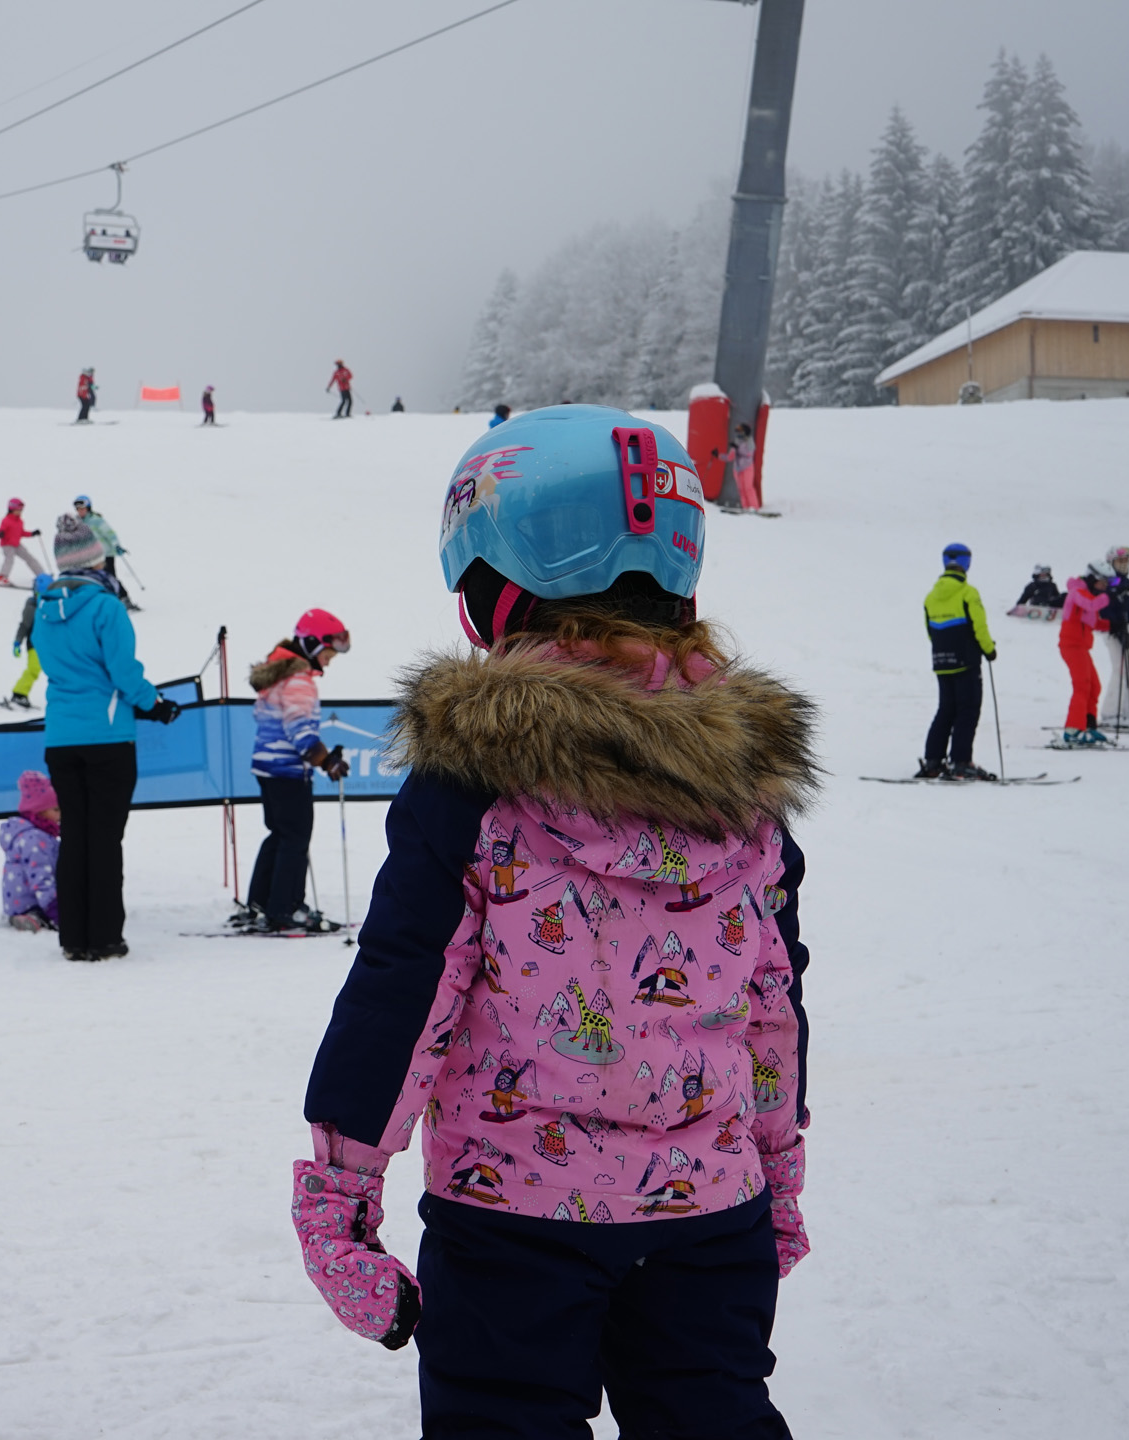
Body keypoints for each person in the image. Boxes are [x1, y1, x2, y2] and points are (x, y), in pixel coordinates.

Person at [291, 403, 816, 1439]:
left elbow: (404, 993)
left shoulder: (472, 786)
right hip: (709, 1214)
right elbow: (774, 1003)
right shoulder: (747, 790)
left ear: (496, 591)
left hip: (512, 1221)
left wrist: (340, 1193)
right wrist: (777, 1171)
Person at [33, 513, 180, 961]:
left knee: (75, 835)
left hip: (61, 738)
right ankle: (105, 936)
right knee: (104, 838)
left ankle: (74, 937)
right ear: (95, 559)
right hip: (108, 739)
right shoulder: (106, 606)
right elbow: (123, 673)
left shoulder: (42, 610)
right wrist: (155, 705)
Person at [240, 610, 352, 934]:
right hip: (286, 770)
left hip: (268, 767)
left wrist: (321, 757)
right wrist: (325, 760)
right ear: (313, 645)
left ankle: (261, 902)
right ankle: (284, 909)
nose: (329, 661)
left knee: (280, 834)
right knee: (296, 838)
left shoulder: (279, 676)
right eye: (328, 653)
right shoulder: (298, 680)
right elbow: (300, 729)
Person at [918, 543, 999, 781]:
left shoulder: (931, 596)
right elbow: (979, 626)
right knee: (968, 709)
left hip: (941, 661)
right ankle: (961, 762)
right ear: (966, 563)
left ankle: (933, 760)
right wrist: (989, 650)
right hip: (966, 660)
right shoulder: (968, 592)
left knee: (946, 709)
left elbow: (930, 631)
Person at [1058, 565, 1113, 747]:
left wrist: (1116, 625)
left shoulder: (1090, 595)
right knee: (1082, 686)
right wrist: (1110, 595)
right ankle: (1073, 729)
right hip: (1071, 645)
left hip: (1081, 647)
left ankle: (1088, 726)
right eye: (1101, 583)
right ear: (1091, 579)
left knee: (1094, 686)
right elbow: (1091, 604)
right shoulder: (1077, 592)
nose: (1103, 588)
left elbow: (1094, 622)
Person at [0, 770, 61, 931]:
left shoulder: (39, 835)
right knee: (45, 914)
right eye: (55, 810)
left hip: (24, 899)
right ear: (39, 811)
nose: (60, 815)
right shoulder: (34, 839)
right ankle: (30, 919)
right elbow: (41, 876)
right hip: (29, 901)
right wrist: (55, 909)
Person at [1102, 545, 1129, 727]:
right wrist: (1120, 629)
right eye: (1120, 561)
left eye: (1126, 561)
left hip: (1128, 630)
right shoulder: (1110, 581)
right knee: (1121, 670)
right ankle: (1111, 713)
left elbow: (1128, 608)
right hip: (1114, 631)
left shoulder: (1126, 582)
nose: (1124, 564)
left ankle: (1126, 712)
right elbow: (1108, 608)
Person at [71, 495, 138, 611]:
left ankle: (124, 599)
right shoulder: (77, 523)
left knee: (110, 577)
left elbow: (110, 534)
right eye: (78, 509)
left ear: (88, 508)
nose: (81, 512)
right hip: (91, 557)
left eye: (83, 509)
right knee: (94, 579)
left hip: (106, 554)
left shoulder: (96, 520)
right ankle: (103, 601)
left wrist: (116, 545)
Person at [4, 577, 51, 711]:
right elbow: (24, 626)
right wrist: (17, 642)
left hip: (47, 644)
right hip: (34, 643)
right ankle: (19, 693)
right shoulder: (31, 607)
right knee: (33, 669)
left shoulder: (52, 604)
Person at [0, 498, 44, 586]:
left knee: (29, 557)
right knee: (9, 559)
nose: (20, 512)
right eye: (18, 510)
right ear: (11, 509)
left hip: (16, 544)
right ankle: (2, 577)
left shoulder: (20, 521)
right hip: (7, 544)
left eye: (21, 510)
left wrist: (32, 533)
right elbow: (1, 530)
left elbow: (21, 533)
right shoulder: (6, 520)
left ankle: (41, 575)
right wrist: (0, 533)